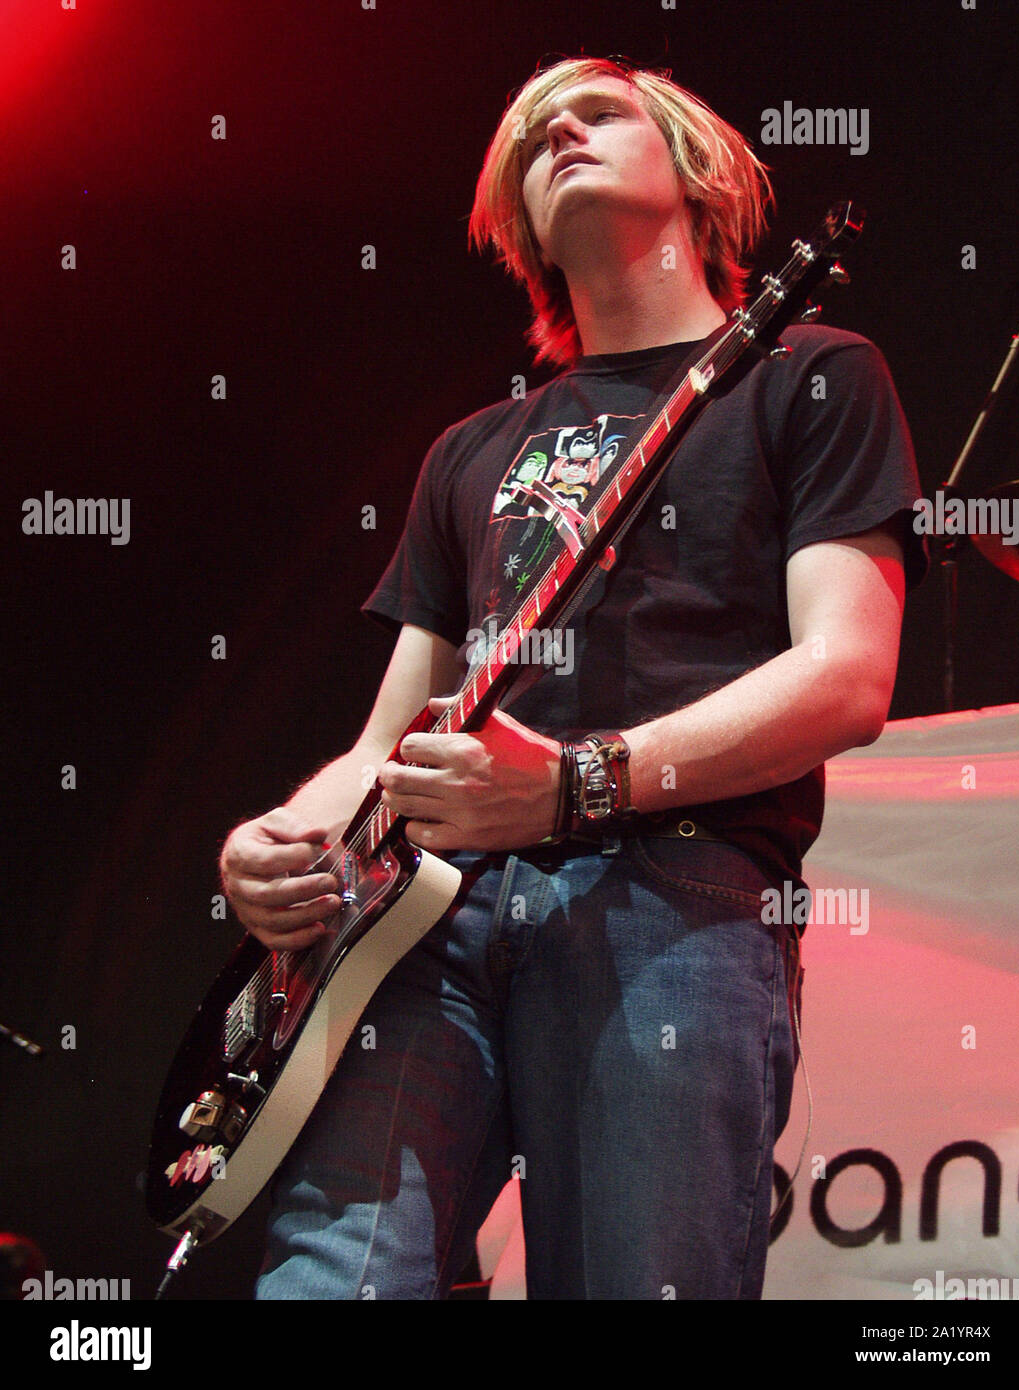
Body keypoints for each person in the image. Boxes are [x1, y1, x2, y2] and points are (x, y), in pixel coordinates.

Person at [219, 56, 926, 1299]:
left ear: (694, 168)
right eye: (532, 135)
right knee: (329, 1278)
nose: (559, 133)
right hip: (425, 916)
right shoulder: (469, 449)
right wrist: (277, 839)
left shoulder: (812, 373)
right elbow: (387, 740)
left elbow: (845, 674)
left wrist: (572, 785)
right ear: (520, 226)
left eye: (596, 112)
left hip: (674, 892)